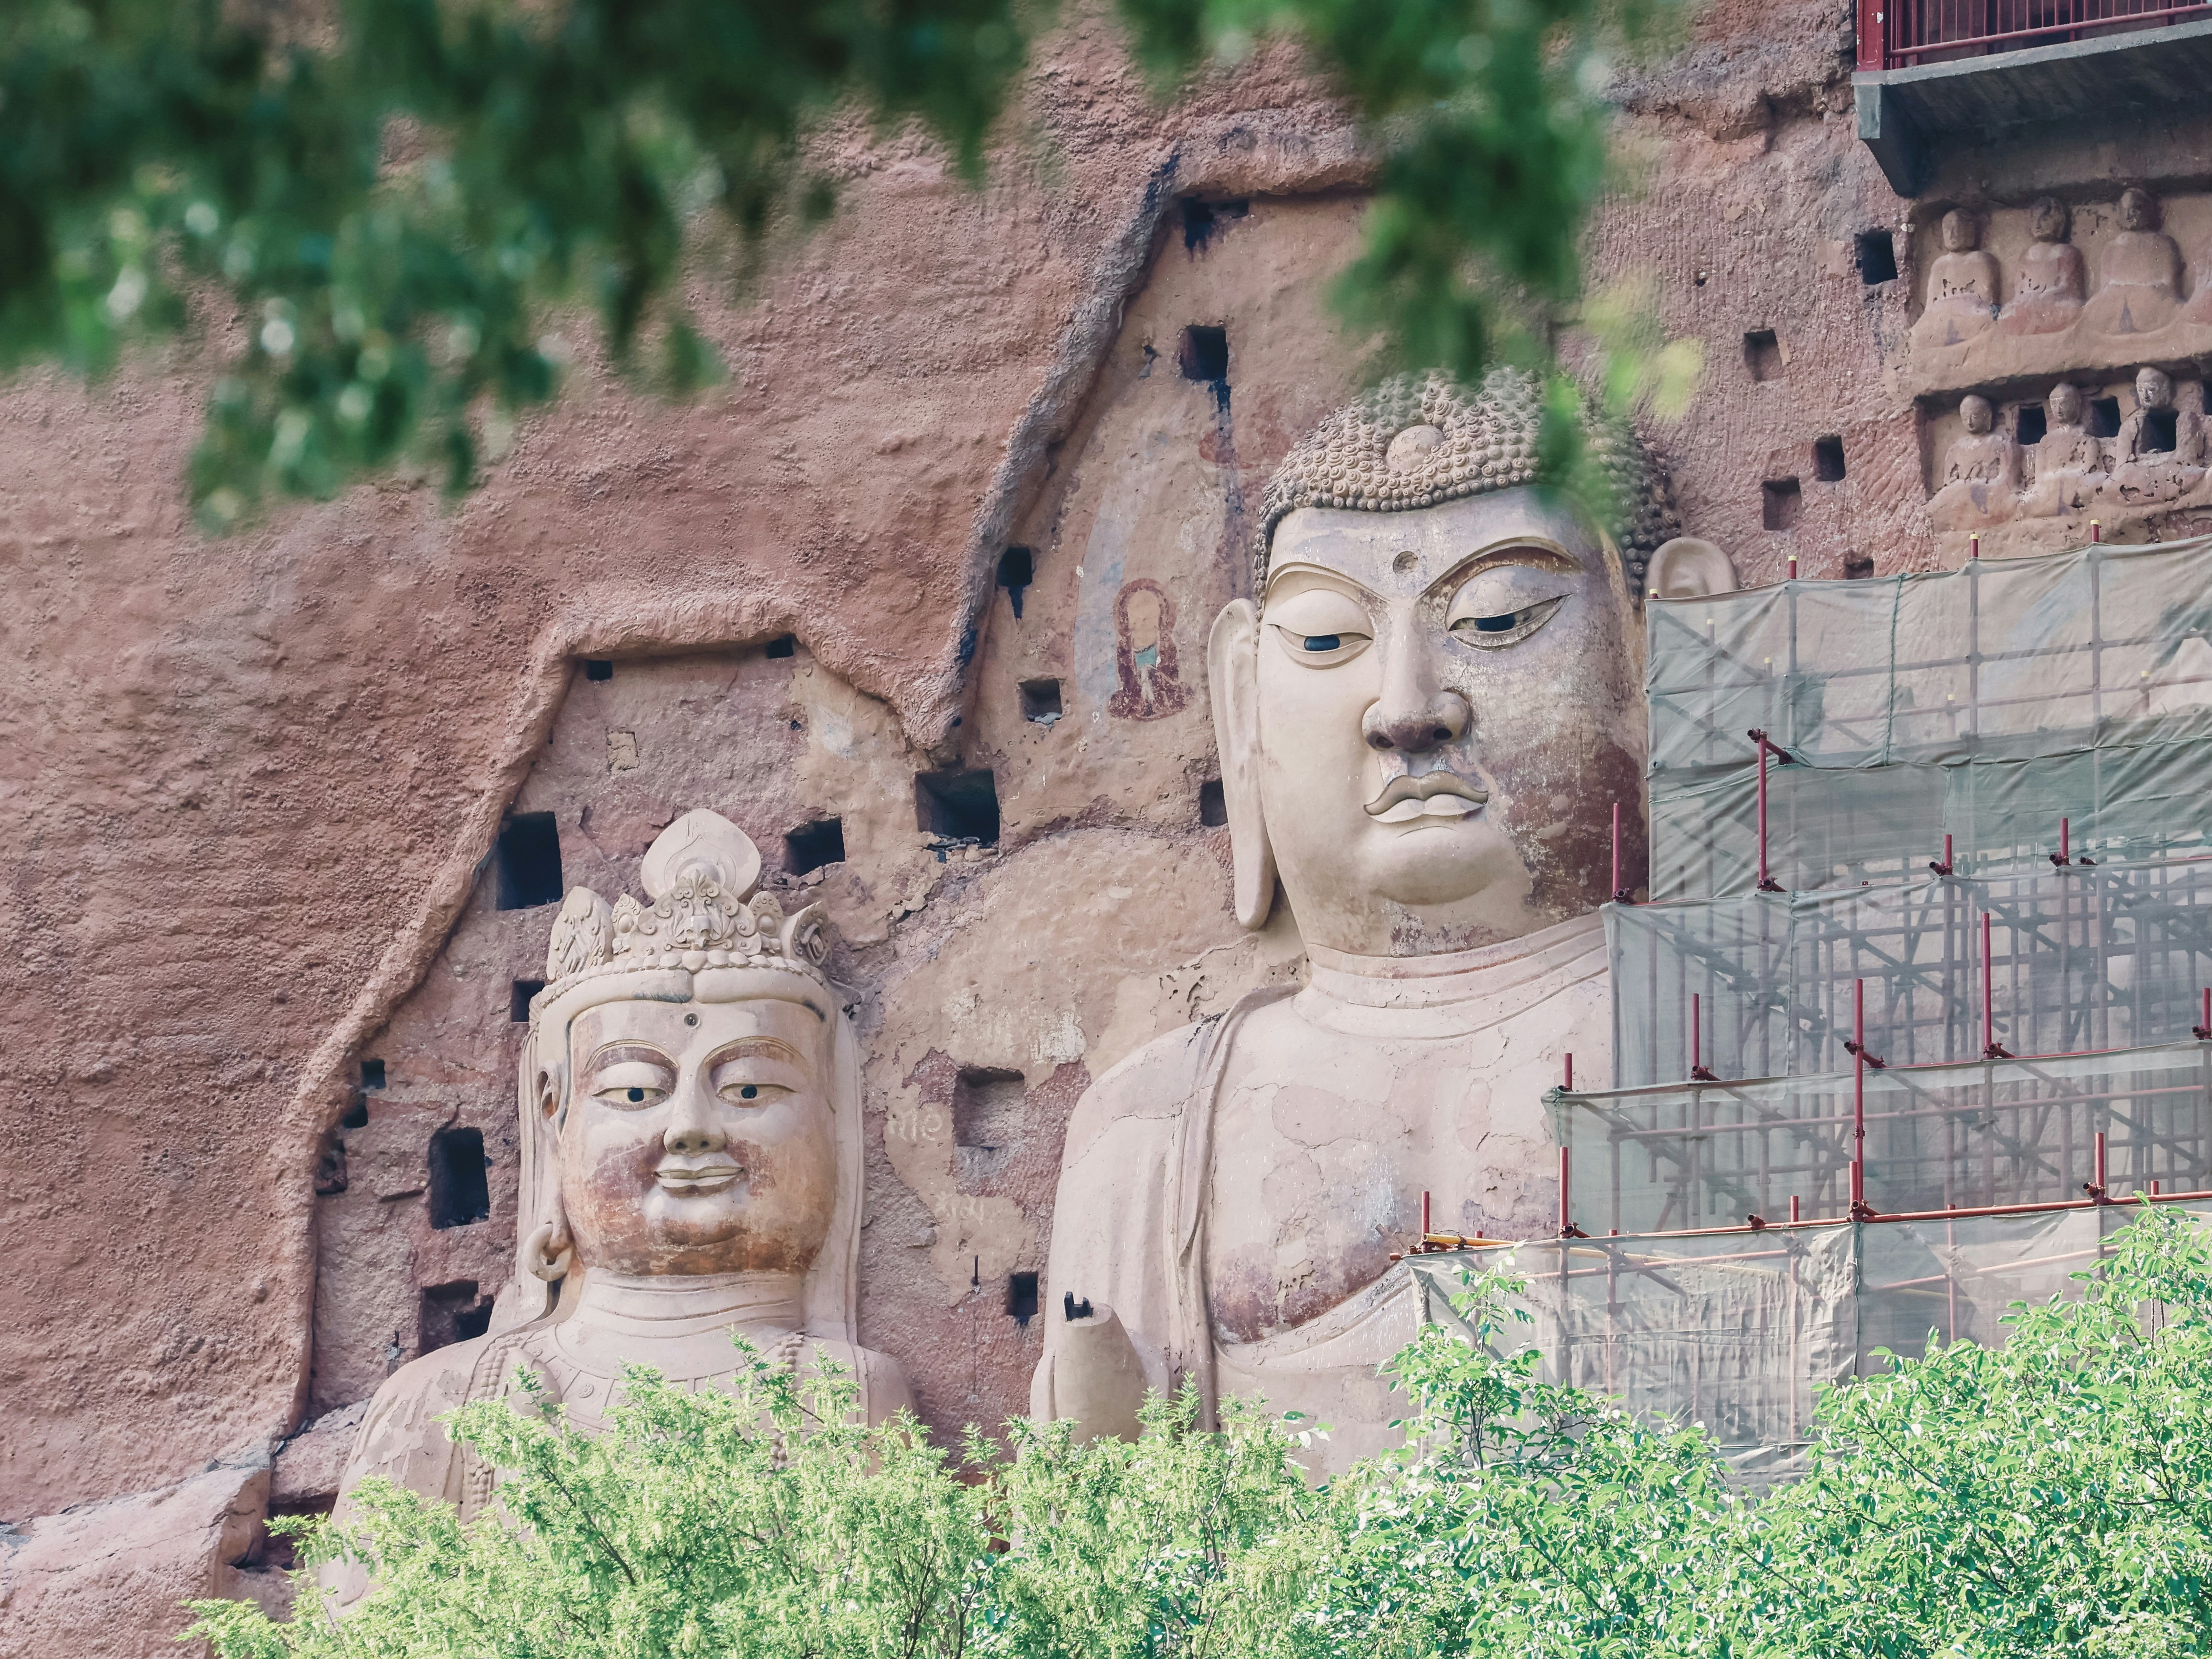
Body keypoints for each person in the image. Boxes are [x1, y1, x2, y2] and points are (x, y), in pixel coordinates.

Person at [1029, 370, 1718, 1471]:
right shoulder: (1156, 1128)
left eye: (1498, 619)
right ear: (1241, 696)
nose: (1408, 708)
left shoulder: (1758, 1046)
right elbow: (1096, 1526)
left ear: (1670, 647)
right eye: (1326, 639)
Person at [326, 809, 909, 1572]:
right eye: (636, 1092)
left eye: (751, 1087)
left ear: (832, 1120)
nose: (691, 1128)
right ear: (551, 1118)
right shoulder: (447, 1399)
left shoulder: (848, 1394)